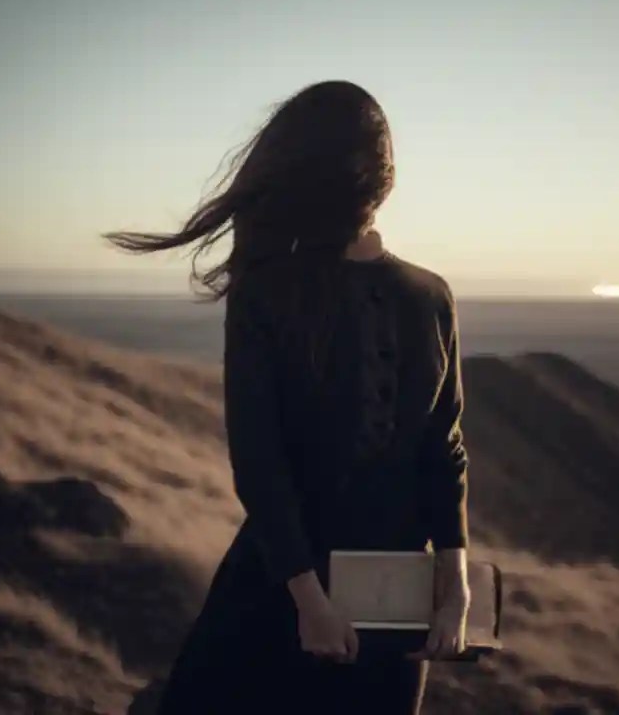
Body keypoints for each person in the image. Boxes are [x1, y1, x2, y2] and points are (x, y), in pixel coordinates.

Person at [107, 80, 471, 714]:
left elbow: (261, 464)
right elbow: (445, 454)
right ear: (383, 178)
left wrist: (314, 603)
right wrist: (453, 584)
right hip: (390, 601)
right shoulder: (430, 294)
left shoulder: (266, 290)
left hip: (280, 597)